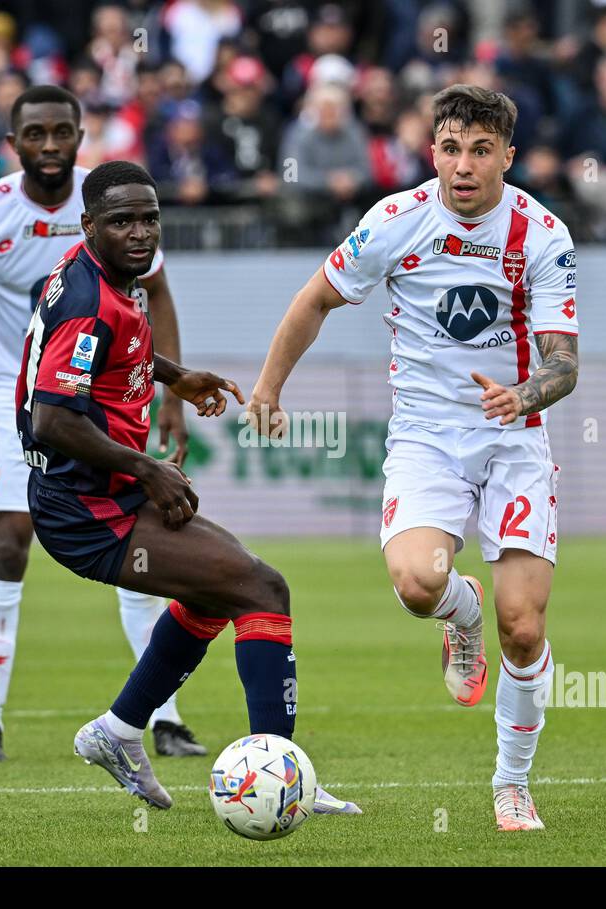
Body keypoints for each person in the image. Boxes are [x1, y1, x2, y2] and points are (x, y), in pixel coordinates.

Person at [247, 85, 580, 832]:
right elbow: (314, 300)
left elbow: (564, 365)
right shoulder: (395, 222)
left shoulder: (543, 234)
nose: (464, 166)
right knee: (416, 583)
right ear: (433, 151)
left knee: (523, 625)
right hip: (427, 436)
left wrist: (524, 397)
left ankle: (512, 784)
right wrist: (269, 386)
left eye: (481, 151)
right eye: (451, 149)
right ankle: (459, 619)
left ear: (507, 157)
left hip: (514, 438)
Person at [17, 160, 358, 815]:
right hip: (84, 509)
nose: (140, 233)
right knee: (262, 587)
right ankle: (280, 781)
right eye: (122, 222)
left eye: (149, 219)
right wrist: (148, 467)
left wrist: (172, 376)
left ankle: (116, 732)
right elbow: (52, 417)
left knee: (219, 592)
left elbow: (116, 353)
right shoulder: (87, 299)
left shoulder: (100, 276)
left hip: (103, 493)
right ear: (90, 225)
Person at [0, 86, 204, 762]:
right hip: (12, 397)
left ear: (81, 134)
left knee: (143, 547)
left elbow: (156, 292)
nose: (50, 145)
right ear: (12, 142)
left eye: (62, 132)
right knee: (10, 543)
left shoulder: (111, 200)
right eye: (35, 134)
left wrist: (170, 391)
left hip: (107, 399)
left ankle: (162, 715)